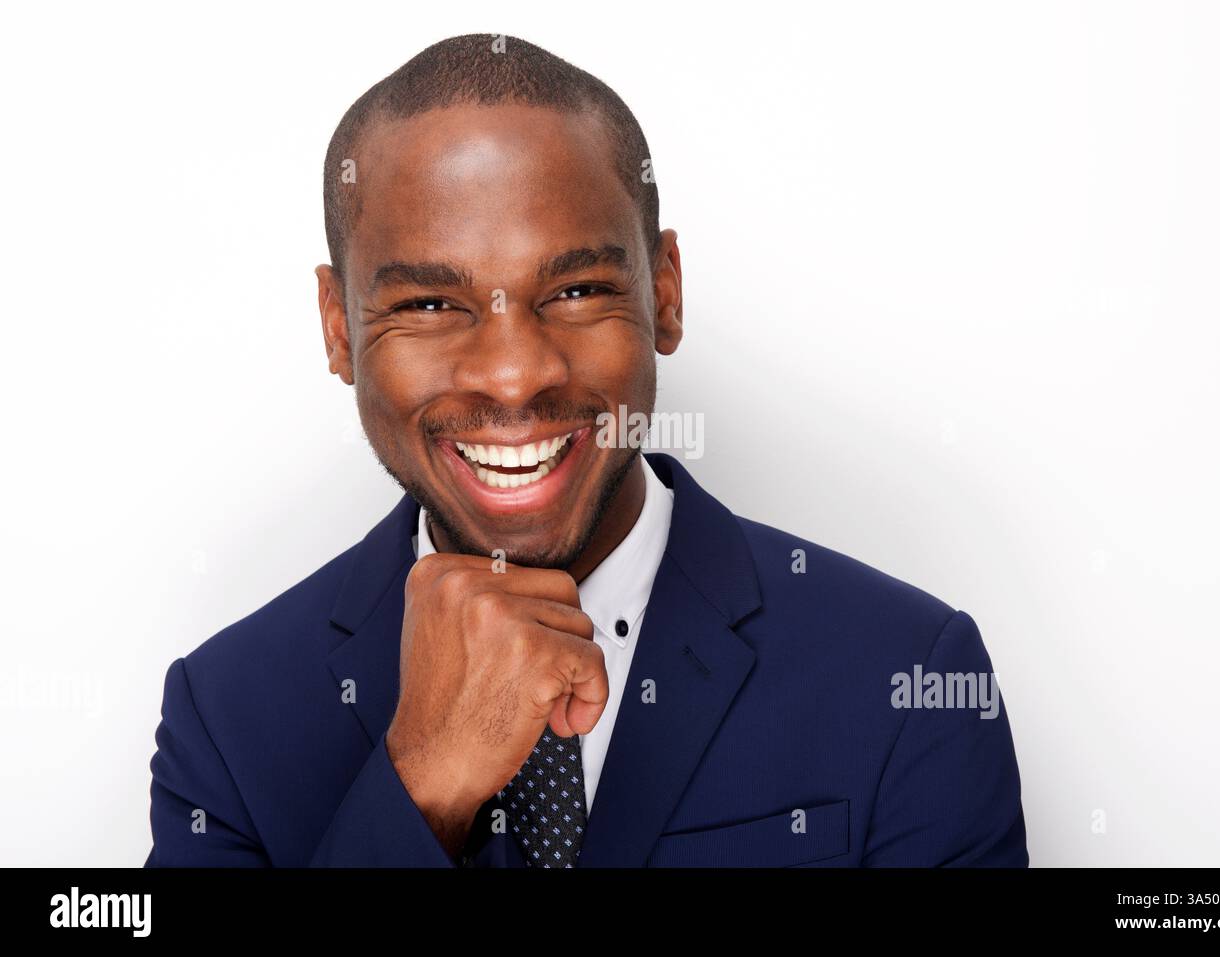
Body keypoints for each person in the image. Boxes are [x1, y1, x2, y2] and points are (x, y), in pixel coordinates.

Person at [145, 33, 1028, 868]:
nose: (513, 376)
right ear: (339, 330)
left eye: (575, 288)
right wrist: (421, 782)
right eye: (427, 305)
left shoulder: (907, 676)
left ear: (666, 295)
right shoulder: (226, 716)